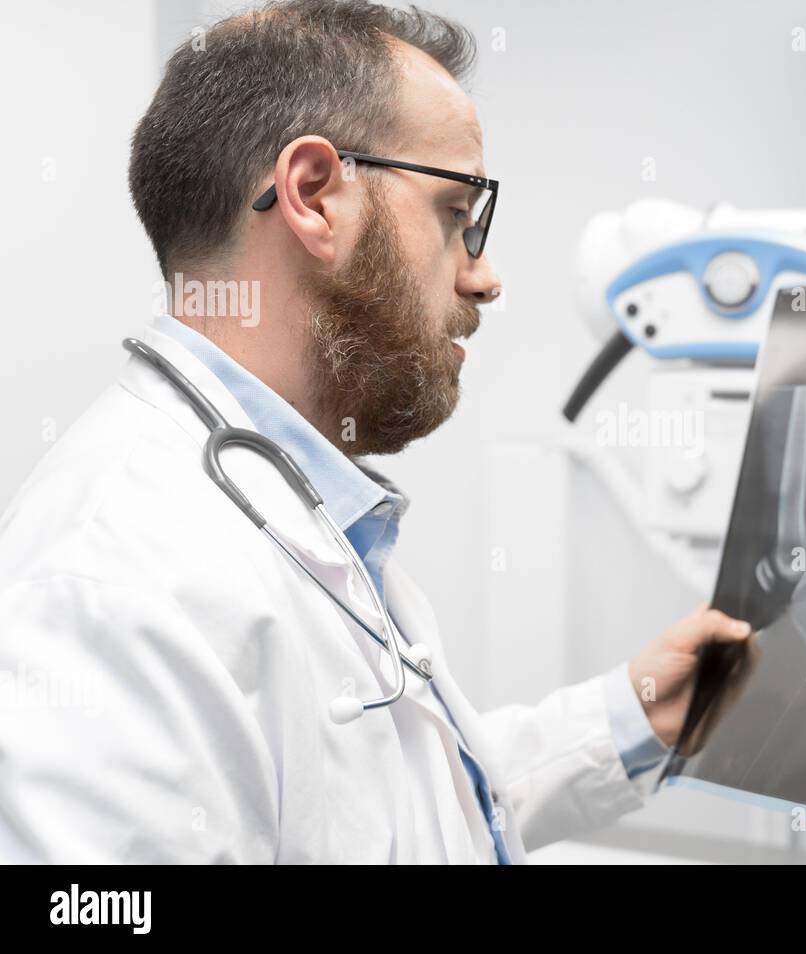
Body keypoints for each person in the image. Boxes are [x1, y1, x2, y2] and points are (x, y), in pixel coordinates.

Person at [0, 0, 750, 863]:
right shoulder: (113, 587)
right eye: (456, 215)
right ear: (315, 197)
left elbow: (400, 808)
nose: (485, 277)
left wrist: (642, 710)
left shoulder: (295, 502)